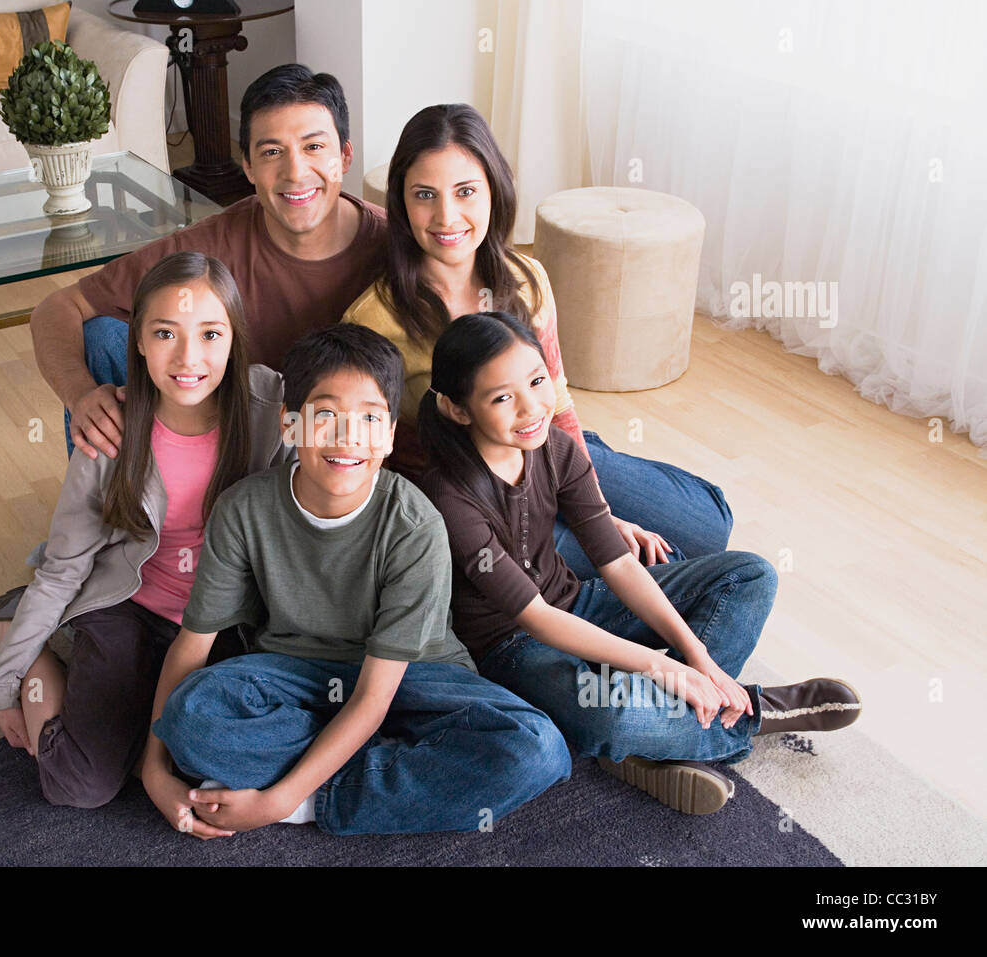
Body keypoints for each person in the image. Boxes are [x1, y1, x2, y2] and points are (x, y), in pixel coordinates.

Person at [0, 63, 387, 649]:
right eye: (271, 151)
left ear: (344, 155)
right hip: (219, 428)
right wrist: (79, 392)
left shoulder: (390, 247)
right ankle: (98, 557)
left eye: (314, 146)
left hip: (315, 457)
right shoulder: (218, 241)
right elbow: (58, 307)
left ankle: (88, 623)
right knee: (102, 335)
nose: (295, 171)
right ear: (246, 166)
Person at [417, 311, 862, 814]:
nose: (531, 407)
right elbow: (535, 616)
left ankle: (663, 734)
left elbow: (619, 564)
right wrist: (660, 667)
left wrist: (697, 658)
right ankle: (754, 713)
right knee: (614, 714)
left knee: (750, 573)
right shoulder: (447, 496)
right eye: (502, 398)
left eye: (537, 381)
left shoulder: (557, 448)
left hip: (578, 601)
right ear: (458, 410)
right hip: (512, 647)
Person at [139, 324, 569, 836]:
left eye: (369, 418)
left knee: (535, 748)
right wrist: (153, 769)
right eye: (325, 415)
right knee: (193, 715)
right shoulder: (243, 509)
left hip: (414, 679)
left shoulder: (415, 524)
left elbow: (373, 696)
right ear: (289, 425)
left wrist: (281, 800)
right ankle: (390, 771)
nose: (348, 437)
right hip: (296, 675)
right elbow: (192, 647)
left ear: (389, 435)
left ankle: (318, 803)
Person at [0, 252, 291, 808]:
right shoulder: (112, 431)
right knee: (81, 786)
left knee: (216, 763)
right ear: (139, 343)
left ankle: (47, 645)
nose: (189, 357)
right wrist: (5, 683)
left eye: (211, 334)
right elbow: (64, 567)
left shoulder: (270, 405)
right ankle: (31, 650)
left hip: (220, 623)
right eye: (166, 333)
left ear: (234, 339)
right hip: (127, 605)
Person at [342, 103, 733, 579]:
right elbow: (382, 454)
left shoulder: (527, 279)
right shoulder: (372, 319)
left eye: (466, 191)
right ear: (401, 203)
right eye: (425, 195)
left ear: (494, 192)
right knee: (661, 567)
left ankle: (601, 463)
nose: (447, 216)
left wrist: (596, 509)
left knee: (710, 527)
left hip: (546, 447)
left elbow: (558, 394)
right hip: (472, 493)